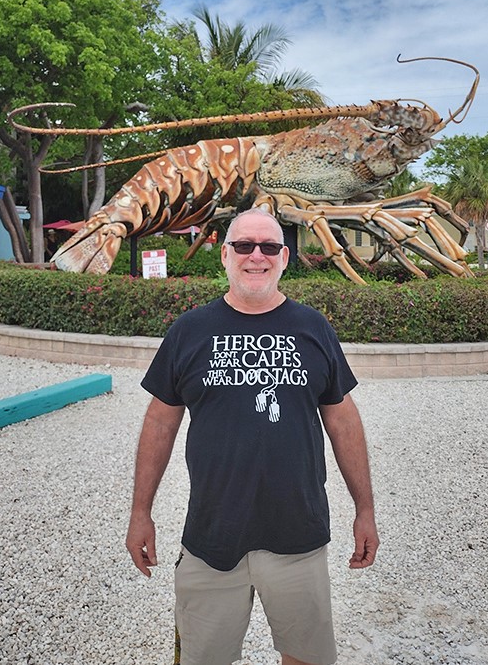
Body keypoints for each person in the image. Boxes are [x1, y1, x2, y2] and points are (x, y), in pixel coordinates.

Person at [125, 208, 379, 665]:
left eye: (267, 247)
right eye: (244, 246)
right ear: (224, 255)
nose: (255, 256)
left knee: (307, 657)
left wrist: (366, 510)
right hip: (211, 538)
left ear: (284, 257)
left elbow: (343, 421)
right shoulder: (190, 331)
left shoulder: (313, 328)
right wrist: (140, 512)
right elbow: (160, 423)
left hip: (298, 536)